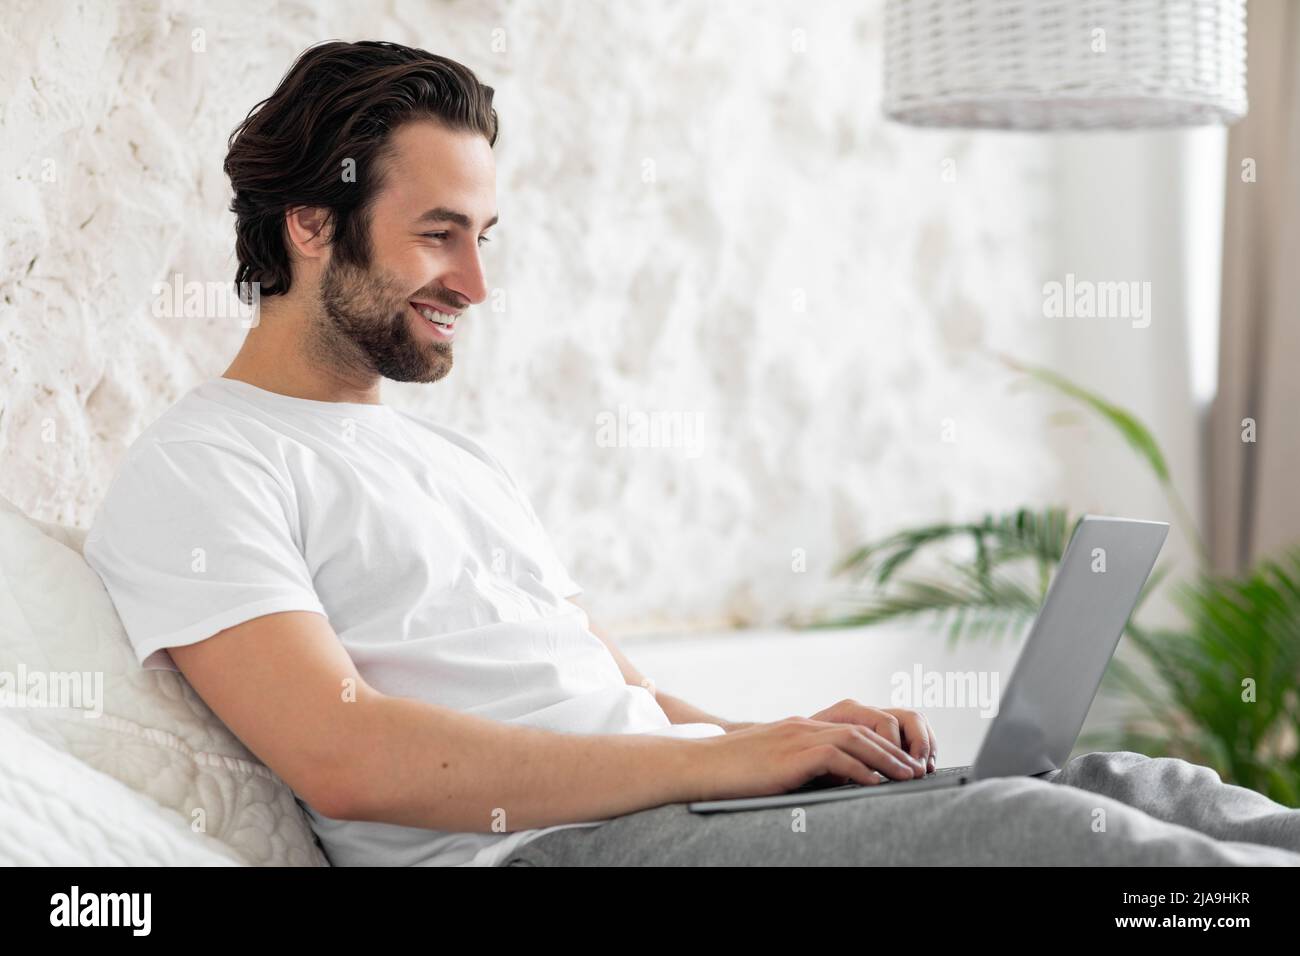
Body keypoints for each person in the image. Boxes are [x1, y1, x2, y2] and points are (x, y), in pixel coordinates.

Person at [83, 40, 1300, 868]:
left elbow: (626, 695)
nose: (477, 280)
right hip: (547, 852)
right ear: (310, 224)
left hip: (679, 806)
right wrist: (724, 759)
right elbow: (344, 752)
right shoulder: (206, 465)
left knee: (1147, 787)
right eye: (439, 234)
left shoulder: (456, 464)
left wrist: (788, 745)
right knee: (1050, 836)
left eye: (485, 233)